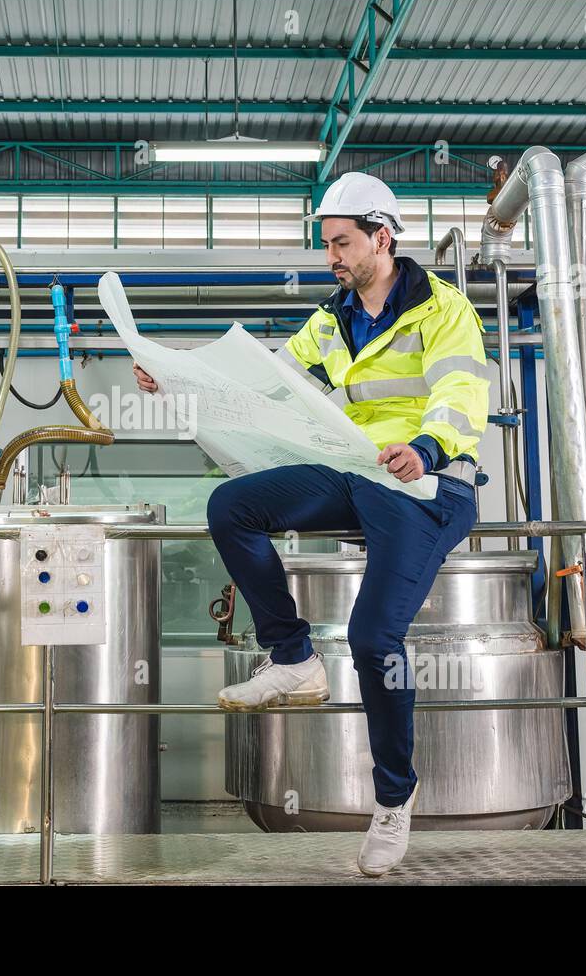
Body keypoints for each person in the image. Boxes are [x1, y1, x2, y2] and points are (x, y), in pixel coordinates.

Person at [132, 171, 490, 876]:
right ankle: (293, 657)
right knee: (232, 506)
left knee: (372, 637)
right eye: (327, 243)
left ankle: (394, 798)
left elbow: (460, 393)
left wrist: (426, 447)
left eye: (342, 242)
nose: (332, 256)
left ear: (382, 238)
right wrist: (177, 382)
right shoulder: (331, 320)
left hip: (427, 483)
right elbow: (267, 385)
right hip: (358, 471)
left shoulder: (443, 309)